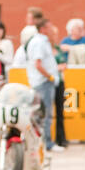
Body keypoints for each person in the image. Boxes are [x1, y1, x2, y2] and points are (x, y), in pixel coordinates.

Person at [23, 22, 58, 150]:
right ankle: (46, 143)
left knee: (41, 114)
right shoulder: (39, 42)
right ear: (43, 29)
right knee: (45, 114)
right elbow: (38, 64)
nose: (52, 29)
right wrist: (50, 77)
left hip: (42, 82)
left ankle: (41, 142)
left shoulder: (41, 41)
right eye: (49, 27)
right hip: (43, 83)